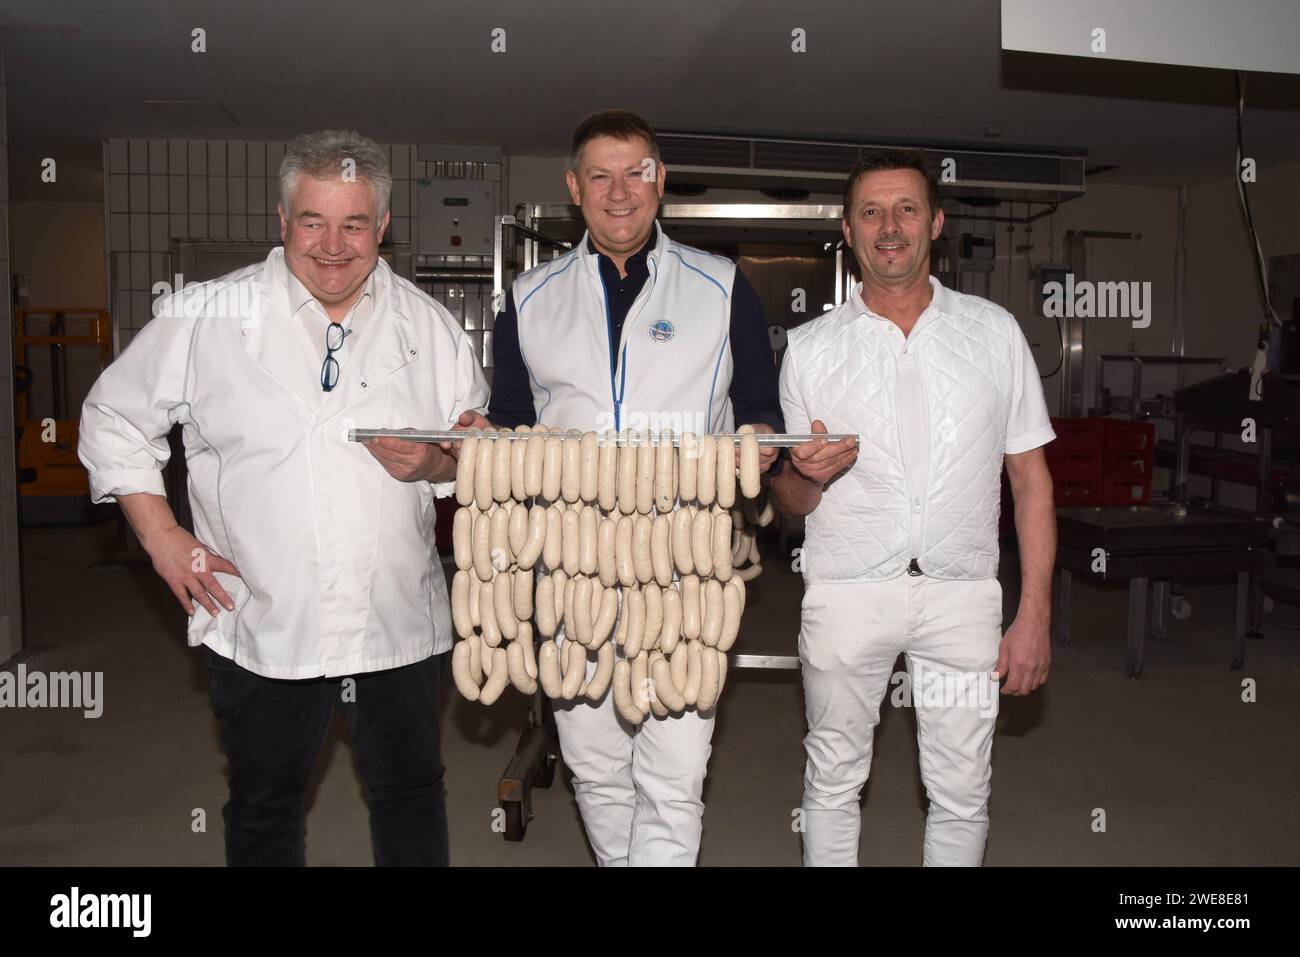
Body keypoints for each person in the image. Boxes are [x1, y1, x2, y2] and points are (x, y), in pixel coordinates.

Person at [78, 130, 488, 866]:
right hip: (265, 618)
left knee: (412, 795)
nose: (333, 245)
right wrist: (164, 535)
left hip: (393, 620)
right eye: (313, 221)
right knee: (265, 805)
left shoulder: (429, 327)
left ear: (383, 226)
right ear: (281, 218)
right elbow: (113, 416)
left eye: (354, 224)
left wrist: (435, 460)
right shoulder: (206, 316)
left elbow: (471, 451)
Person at [467, 109, 784, 866]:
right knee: (597, 766)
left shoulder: (723, 286)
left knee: (674, 775)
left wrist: (765, 450)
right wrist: (481, 440)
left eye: (635, 172)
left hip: (685, 568)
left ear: (659, 181)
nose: (620, 192)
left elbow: (761, 412)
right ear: (575, 188)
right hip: (569, 563)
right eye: (600, 176)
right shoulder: (531, 295)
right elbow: (511, 423)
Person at [772, 149, 1056, 866]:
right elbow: (791, 501)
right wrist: (805, 475)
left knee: (962, 789)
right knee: (833, 781)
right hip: (846, 591)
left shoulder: (994, 334)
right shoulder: (808, 350)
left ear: (936, 221)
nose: (888, 226)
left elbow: (1031, 480)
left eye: (905, 209)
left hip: (962, 593)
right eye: (870, 211)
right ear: (847, 229)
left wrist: (1035, 612)